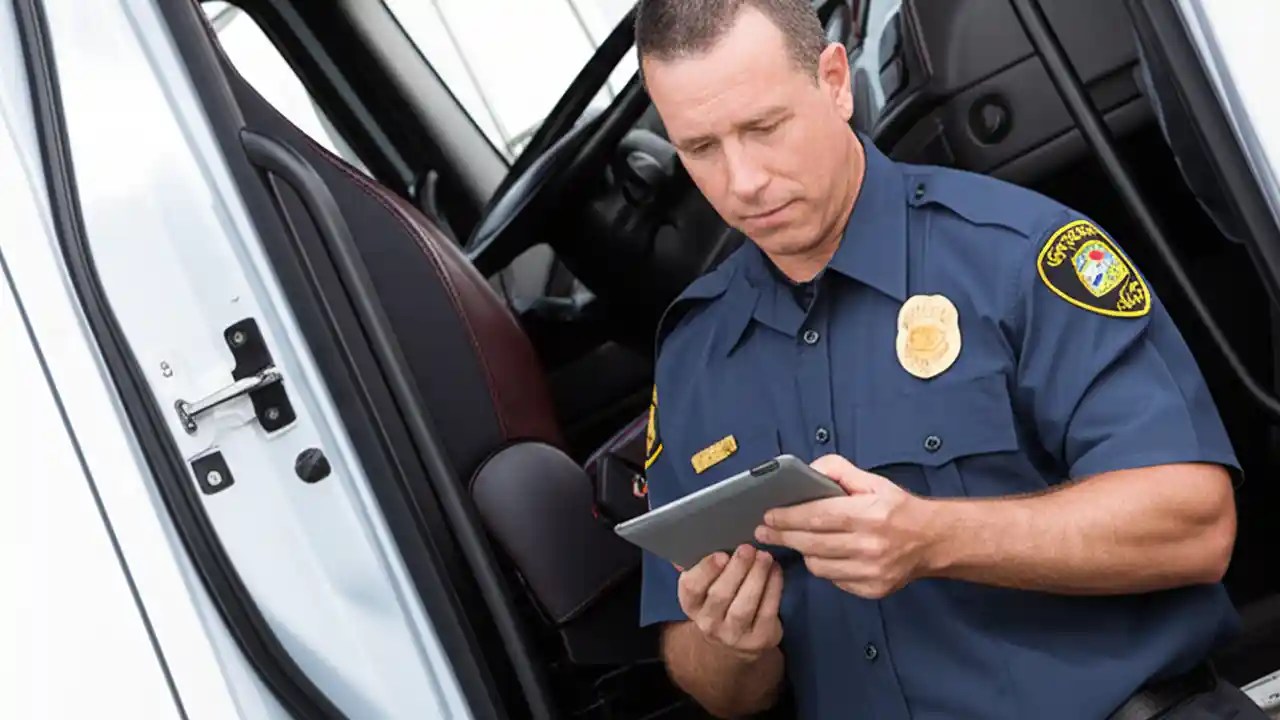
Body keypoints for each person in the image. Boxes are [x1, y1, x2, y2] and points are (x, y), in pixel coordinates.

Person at [633, 1, 1266, 718]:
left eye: (764, 127)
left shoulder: (1018, 255)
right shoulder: (693, 360)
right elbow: (709, 680)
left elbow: (1195, 526)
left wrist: (931, 539)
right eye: (701, 149)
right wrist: (732, 643)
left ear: (836, 82)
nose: (742, 180)